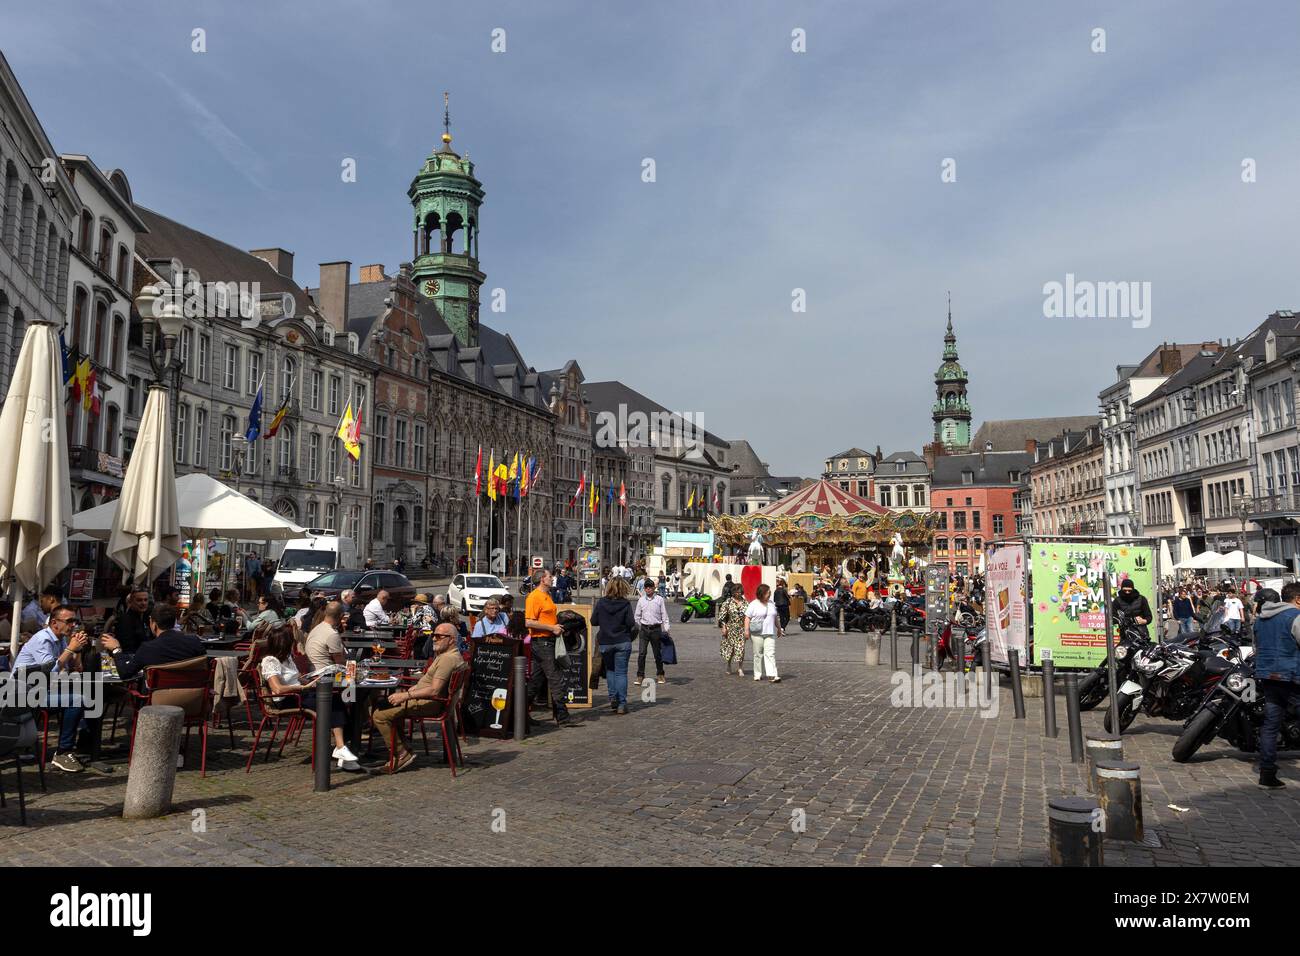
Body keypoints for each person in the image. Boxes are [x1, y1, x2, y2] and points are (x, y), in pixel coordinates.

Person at [257, 621, 359, 770]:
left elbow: (297, 677)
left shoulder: (287, 658)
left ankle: (342, 747)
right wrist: (302, 687)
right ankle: (342, 748)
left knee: (338, 698)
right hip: (288, 699)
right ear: (283, 644)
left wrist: (314, 679)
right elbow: (277, 689)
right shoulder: (270, 661)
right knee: (330, 702)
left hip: (301, 693)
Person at [369, 622, 468, 773]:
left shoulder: (447, 659)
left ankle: (402, 754)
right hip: (430, 701)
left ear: (452, 640)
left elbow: (434, 690)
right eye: (434, 635)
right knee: (385, 706)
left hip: (432, 703)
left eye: (439, 636)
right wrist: (409, 692)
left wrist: (405, 695)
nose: (434, 639)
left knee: (379, 715)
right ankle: (404, 751)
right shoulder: (449, 656)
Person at [13, 605, 90, 772]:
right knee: (77, 700)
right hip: (23, 693)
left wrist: (78, 650)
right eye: (69, 621)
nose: (73, 625)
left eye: (75, 621)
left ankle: (85, 744)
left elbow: (73, 669)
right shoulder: (43, 639)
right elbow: (50, 670)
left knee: (86, 694)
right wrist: (70, 648)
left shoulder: (60, 638)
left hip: (41, 688)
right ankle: (63, 752)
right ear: (55, 623)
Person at [1251, 583, 1300, 788]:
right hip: (1292, 676)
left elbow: (1256, 646)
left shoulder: (1260, 621)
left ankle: (1267, 774)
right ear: (1298, 599)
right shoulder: (1295, 617)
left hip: (1268, 676)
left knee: (1271, 725)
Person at [101, 604, 206, 682]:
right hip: (194, 700)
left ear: (153, 624)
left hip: (158, 703)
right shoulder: (194, 642)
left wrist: (116, 649)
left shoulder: (148, 648)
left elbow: (125, 673)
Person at [524, 569, 569, 724]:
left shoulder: (547, 595)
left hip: (548, 640)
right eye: (550, 577)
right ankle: (562, 715)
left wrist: (556, 625)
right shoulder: (534, 597)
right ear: (542, 579)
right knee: (556, 677)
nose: (552, 578)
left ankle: (520, 712)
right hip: (542, 642)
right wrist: (552, 628)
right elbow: (528, 621)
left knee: (537, 679)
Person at [594, 578, 636, 714]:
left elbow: (593, 621)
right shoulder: (625, 604)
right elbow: (631, 623)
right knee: (621, 673)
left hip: (606, 642)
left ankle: (613, 698)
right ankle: (622, 704)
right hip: (622, 641)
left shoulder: (601, 603)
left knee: (610, 671)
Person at [634, 577, 670, 686]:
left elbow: (664, 615)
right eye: (647, 588)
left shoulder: (659, 600)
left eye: (650, 588)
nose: (649, 590)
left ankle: (660, 674)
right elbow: (637, 616)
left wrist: (666, 628)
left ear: (654, 588)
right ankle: (640, 676)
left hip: (656, 629)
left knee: (657, 654)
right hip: (644, 629)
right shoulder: (641, 600)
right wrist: (640, 627)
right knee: (641, 653)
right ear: (644, 589)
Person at [746, 583, 783, 683]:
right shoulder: (753, 604)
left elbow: (775, 617)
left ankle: (772, 675)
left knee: (770, 653)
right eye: (768, 592)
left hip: (770, 632)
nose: (769, 594)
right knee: (758, 654)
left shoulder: (771, 603)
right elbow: (747, 618)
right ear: (761, 594)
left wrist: (779, 629)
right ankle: (757, 674)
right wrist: (746, 631)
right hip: (757, 633)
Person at [103, 588, 151, 654]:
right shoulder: (124, 620)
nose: (143, 603)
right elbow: (127, 648)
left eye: (145, 600)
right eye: (139, 600)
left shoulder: (147, 617)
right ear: (131, 602)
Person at [304, 601, 348, 672]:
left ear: (325, 613)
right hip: (325, 675)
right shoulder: (332, 634)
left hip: (314, 670)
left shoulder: (317, 628)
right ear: (341, 615)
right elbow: (340, 663)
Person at [716, 586, 749, 676]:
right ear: (733, 592)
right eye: (736, 592)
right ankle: (729, 665)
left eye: (739, 592)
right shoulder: (728, 602)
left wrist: (747, 629)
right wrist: (723, 627)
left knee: (741, 649)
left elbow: (748, 616)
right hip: (730, 628)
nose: (738, 593)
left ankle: (740, 668)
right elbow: (722, 616)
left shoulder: (745, 602)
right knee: (731, 649)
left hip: (741, 629)